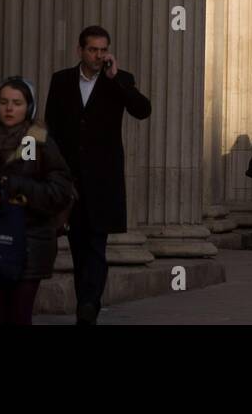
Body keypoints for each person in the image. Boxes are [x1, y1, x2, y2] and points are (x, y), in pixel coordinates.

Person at [45, 25, 152, 324]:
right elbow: (51, 125)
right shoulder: (62, 80)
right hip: (70, 179)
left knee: (96, 244)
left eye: (103, 49)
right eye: (93, 49)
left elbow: (143, 110)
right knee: (78, 245)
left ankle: (88, 305)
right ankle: (86, 300)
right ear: (80, 50)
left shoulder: (119, 80)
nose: (98, 55)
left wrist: (117, 80)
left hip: (103, 180)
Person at [0, 77, 75, 325]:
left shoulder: (42, 144)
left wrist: (21, 188)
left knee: (19, 316)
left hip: (31, 243)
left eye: (17, 103)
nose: (9, 109)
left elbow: (61, 191)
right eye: (4, 102)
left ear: (28, 107)